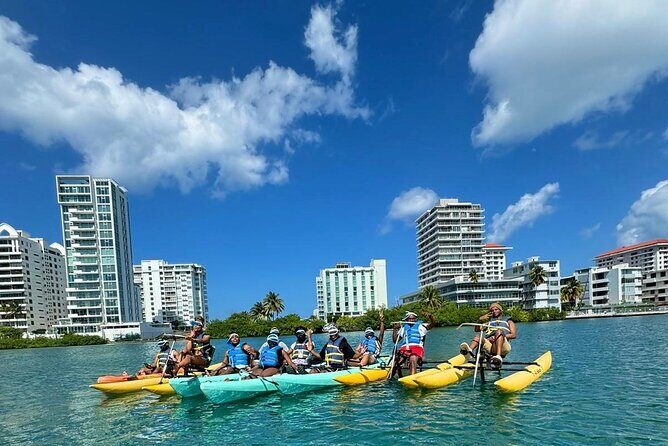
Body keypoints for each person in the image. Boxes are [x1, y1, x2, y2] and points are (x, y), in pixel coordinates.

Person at [460, 302, 516, 367]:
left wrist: (498, 336)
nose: (494, 311)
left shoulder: (508, 321)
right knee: (478, 336)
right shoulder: (489, 322)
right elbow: (477, 330)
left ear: (500, 310)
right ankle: (469, 352)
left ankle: (498, 356)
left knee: (498, 332)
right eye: (492, 310)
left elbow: (513, 335)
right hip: (490, 346)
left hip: (503, 346)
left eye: (496, 309)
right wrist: (480, 320)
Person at [392, 311, 435, 376]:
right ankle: (395, 375)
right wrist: (394, 329)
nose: (412, 320)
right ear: (406, 320)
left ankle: (412, 376)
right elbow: (395, 340)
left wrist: (430, 317)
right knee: (396, 359)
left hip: (416, 348)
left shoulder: (421, 326)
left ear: (416, 319)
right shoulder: (403, 328)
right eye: (410, 319)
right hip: (404, 348)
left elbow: (432, 325)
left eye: (413, 319)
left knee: (413, 358)